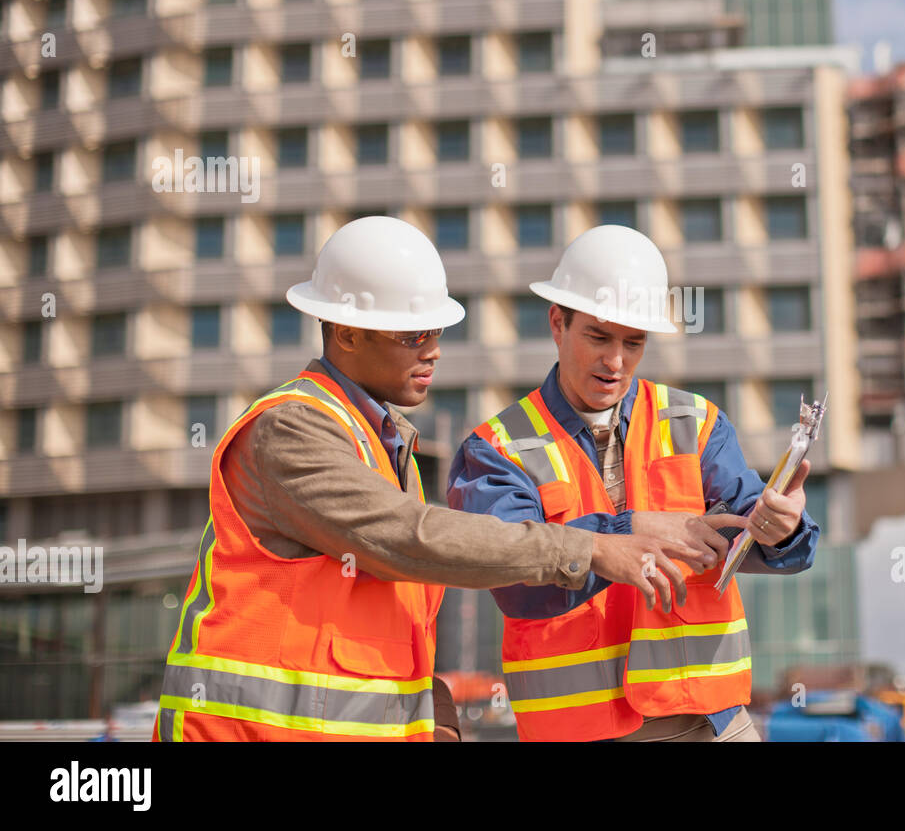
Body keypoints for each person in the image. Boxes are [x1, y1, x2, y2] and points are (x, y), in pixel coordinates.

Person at [153, 217, 684, 742]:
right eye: (413, 335)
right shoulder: (291, 428)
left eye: (437, 332)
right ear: (347, 333)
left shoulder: (379, 441)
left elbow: (392, 609)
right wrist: (589, 547)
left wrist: (437, 709)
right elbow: (410, 538)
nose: (432, 350)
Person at [449, 225, 819, 742]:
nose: (616, 362)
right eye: (598, 337)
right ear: (558, 323)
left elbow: (756, 532)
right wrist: (623, 532)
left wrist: (781, 528)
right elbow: (510, 578)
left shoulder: (696, 420)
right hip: (581, 731)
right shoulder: (496, 448)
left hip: (714, 722)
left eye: (634, 342)